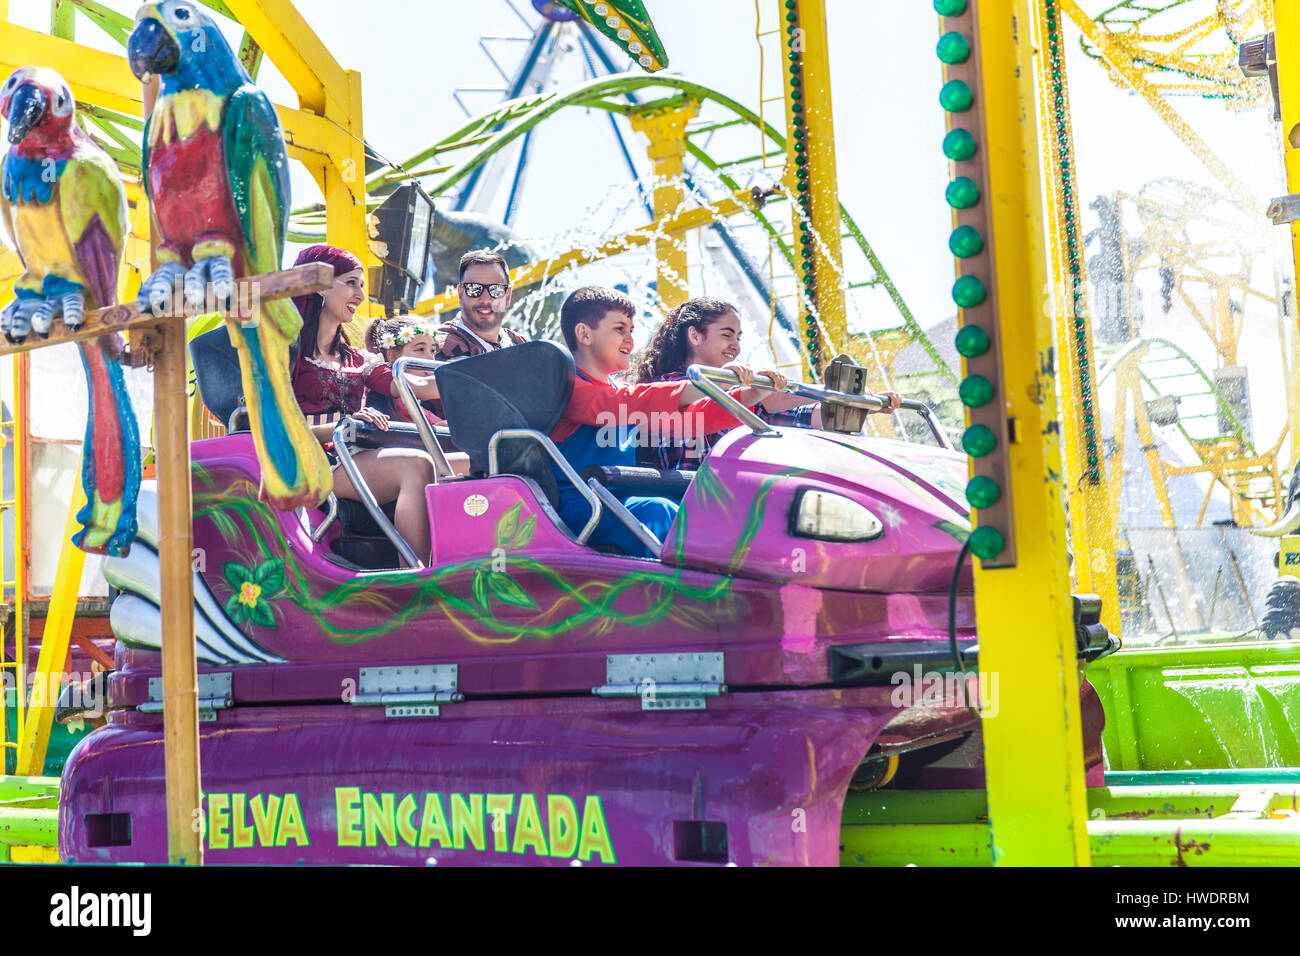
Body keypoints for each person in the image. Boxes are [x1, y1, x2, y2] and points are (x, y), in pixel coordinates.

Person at [549, 286, 785, 558]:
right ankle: (688, 593)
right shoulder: (570, 388)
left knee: (708, 507)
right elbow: (629, 401)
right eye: (619, 329)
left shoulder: (616, 389)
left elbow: (688, 422)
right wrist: (710, 381)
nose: (630, 340)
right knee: (657, 511)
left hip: (616, 498)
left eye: (631, 330)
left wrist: (751, 394)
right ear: (584, 334)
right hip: (580, 506)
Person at [289, 245, 444, 562]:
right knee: (417, 465)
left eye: (362, 285)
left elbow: (413, 385)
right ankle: (415, 580)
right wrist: (343, 426)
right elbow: (276, 424)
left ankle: (462, 565)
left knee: (466, 464)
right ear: (317, 283)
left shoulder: (356, 358)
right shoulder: (285, 351)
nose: (360, 295)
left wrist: (478, 378)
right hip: (307, 462)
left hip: (350, 456)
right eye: (351, 283)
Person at [633, 296, 903, 468]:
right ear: (695, 336)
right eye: (727, 335)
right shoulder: (671, 385)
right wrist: (831, 392)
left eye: (739, 337)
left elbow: (806, 417)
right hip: (689, 495)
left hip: (732, 498)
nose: (735, 346)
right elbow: (751, 399)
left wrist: (858, 403)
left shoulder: (740, 398)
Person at [433, 249, 530, 361]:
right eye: (474, 289)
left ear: (507, 297)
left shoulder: (521, 344)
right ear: (460, 294)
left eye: (495, 290)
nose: (485, 299)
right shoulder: (441, 345)